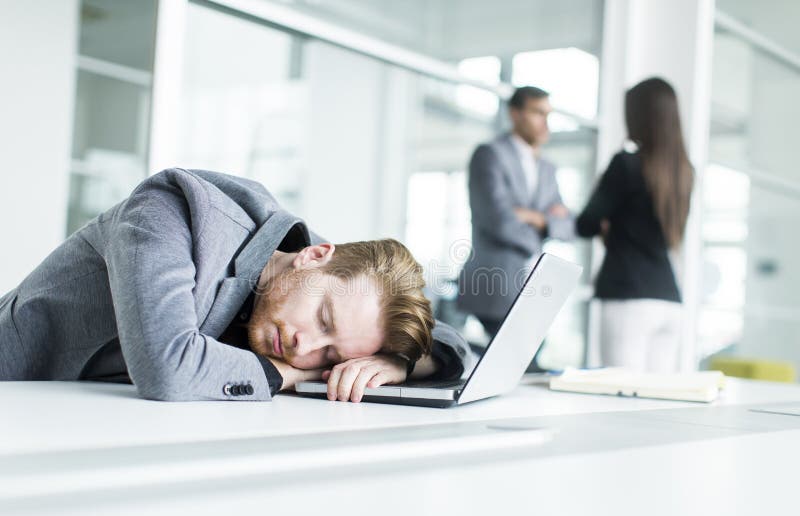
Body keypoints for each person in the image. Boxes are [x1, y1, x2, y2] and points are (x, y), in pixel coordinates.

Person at [0, 168, 474, 402]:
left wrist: (394, 362)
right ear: (314, 256)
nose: (304, 346)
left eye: (331, 356)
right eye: (324, 319)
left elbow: (450, 343)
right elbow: (166, 367)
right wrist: (299, 375)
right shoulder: (172, 212)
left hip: (81, 417)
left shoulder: (319, 277)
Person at [576, 77, 694, 372]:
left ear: (639, 115)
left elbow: (586, 223)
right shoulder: (684, 171)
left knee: (620, 398)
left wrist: (606, 226)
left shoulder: (626, 163)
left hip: (628, 296)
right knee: (655, 404)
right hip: (668, 300)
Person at [457, 86, 574, 343]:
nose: (546, 123)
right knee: (513, 363)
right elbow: (499, 220)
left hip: (535, 286)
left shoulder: (547, 167)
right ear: (515, 114)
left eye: (548, 114)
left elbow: (569, 225)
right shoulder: (489, 155)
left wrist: (535, 218)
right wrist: (546, 222)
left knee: (527, 364)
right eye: (538, 113)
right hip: (494, 282)